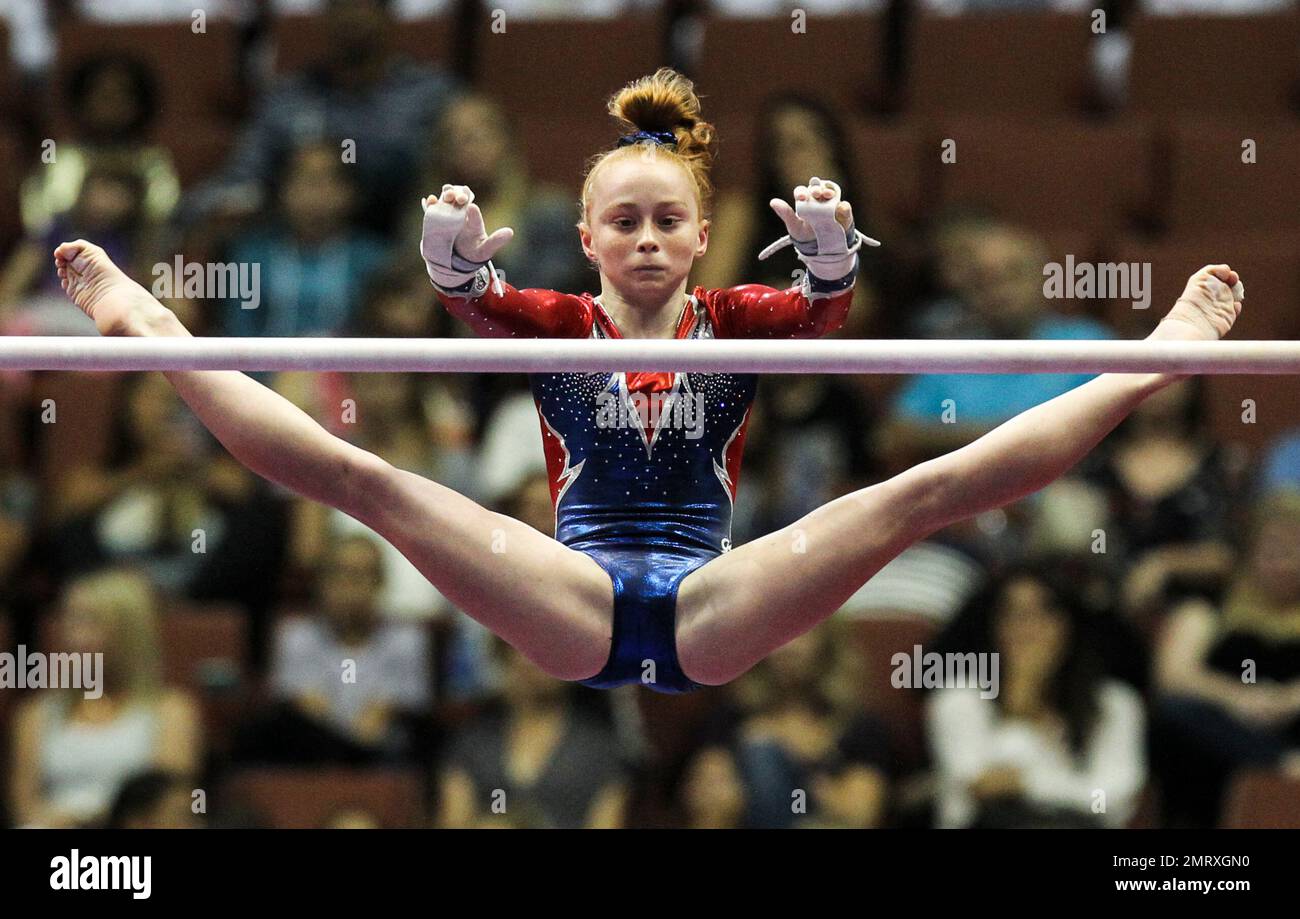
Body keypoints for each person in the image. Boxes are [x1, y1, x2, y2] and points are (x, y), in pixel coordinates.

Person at [46, 68, 1245, 700]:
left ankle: (1154, 360)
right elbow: (472, 305)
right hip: (570, 601)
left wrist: (829, 259)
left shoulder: (734, 318)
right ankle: (146, 322)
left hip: (714, 606)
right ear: (586, 231)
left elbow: (823, 320)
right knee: (363, 477)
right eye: (625, 221)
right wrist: (452, 261)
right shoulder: (558, 317)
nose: (651, 240)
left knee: (921, 493)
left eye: (672, 220)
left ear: (701, 229)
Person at [927, 565, 1147, 828]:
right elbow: (979, 786)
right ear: (993, 626)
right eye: (1013, 614)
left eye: (1043, 613)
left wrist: (1027, 781)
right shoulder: (958, 698)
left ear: (1070, 624)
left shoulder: (1115, 702)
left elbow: (1112, 798)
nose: (1027, 628)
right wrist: (1019, 704)